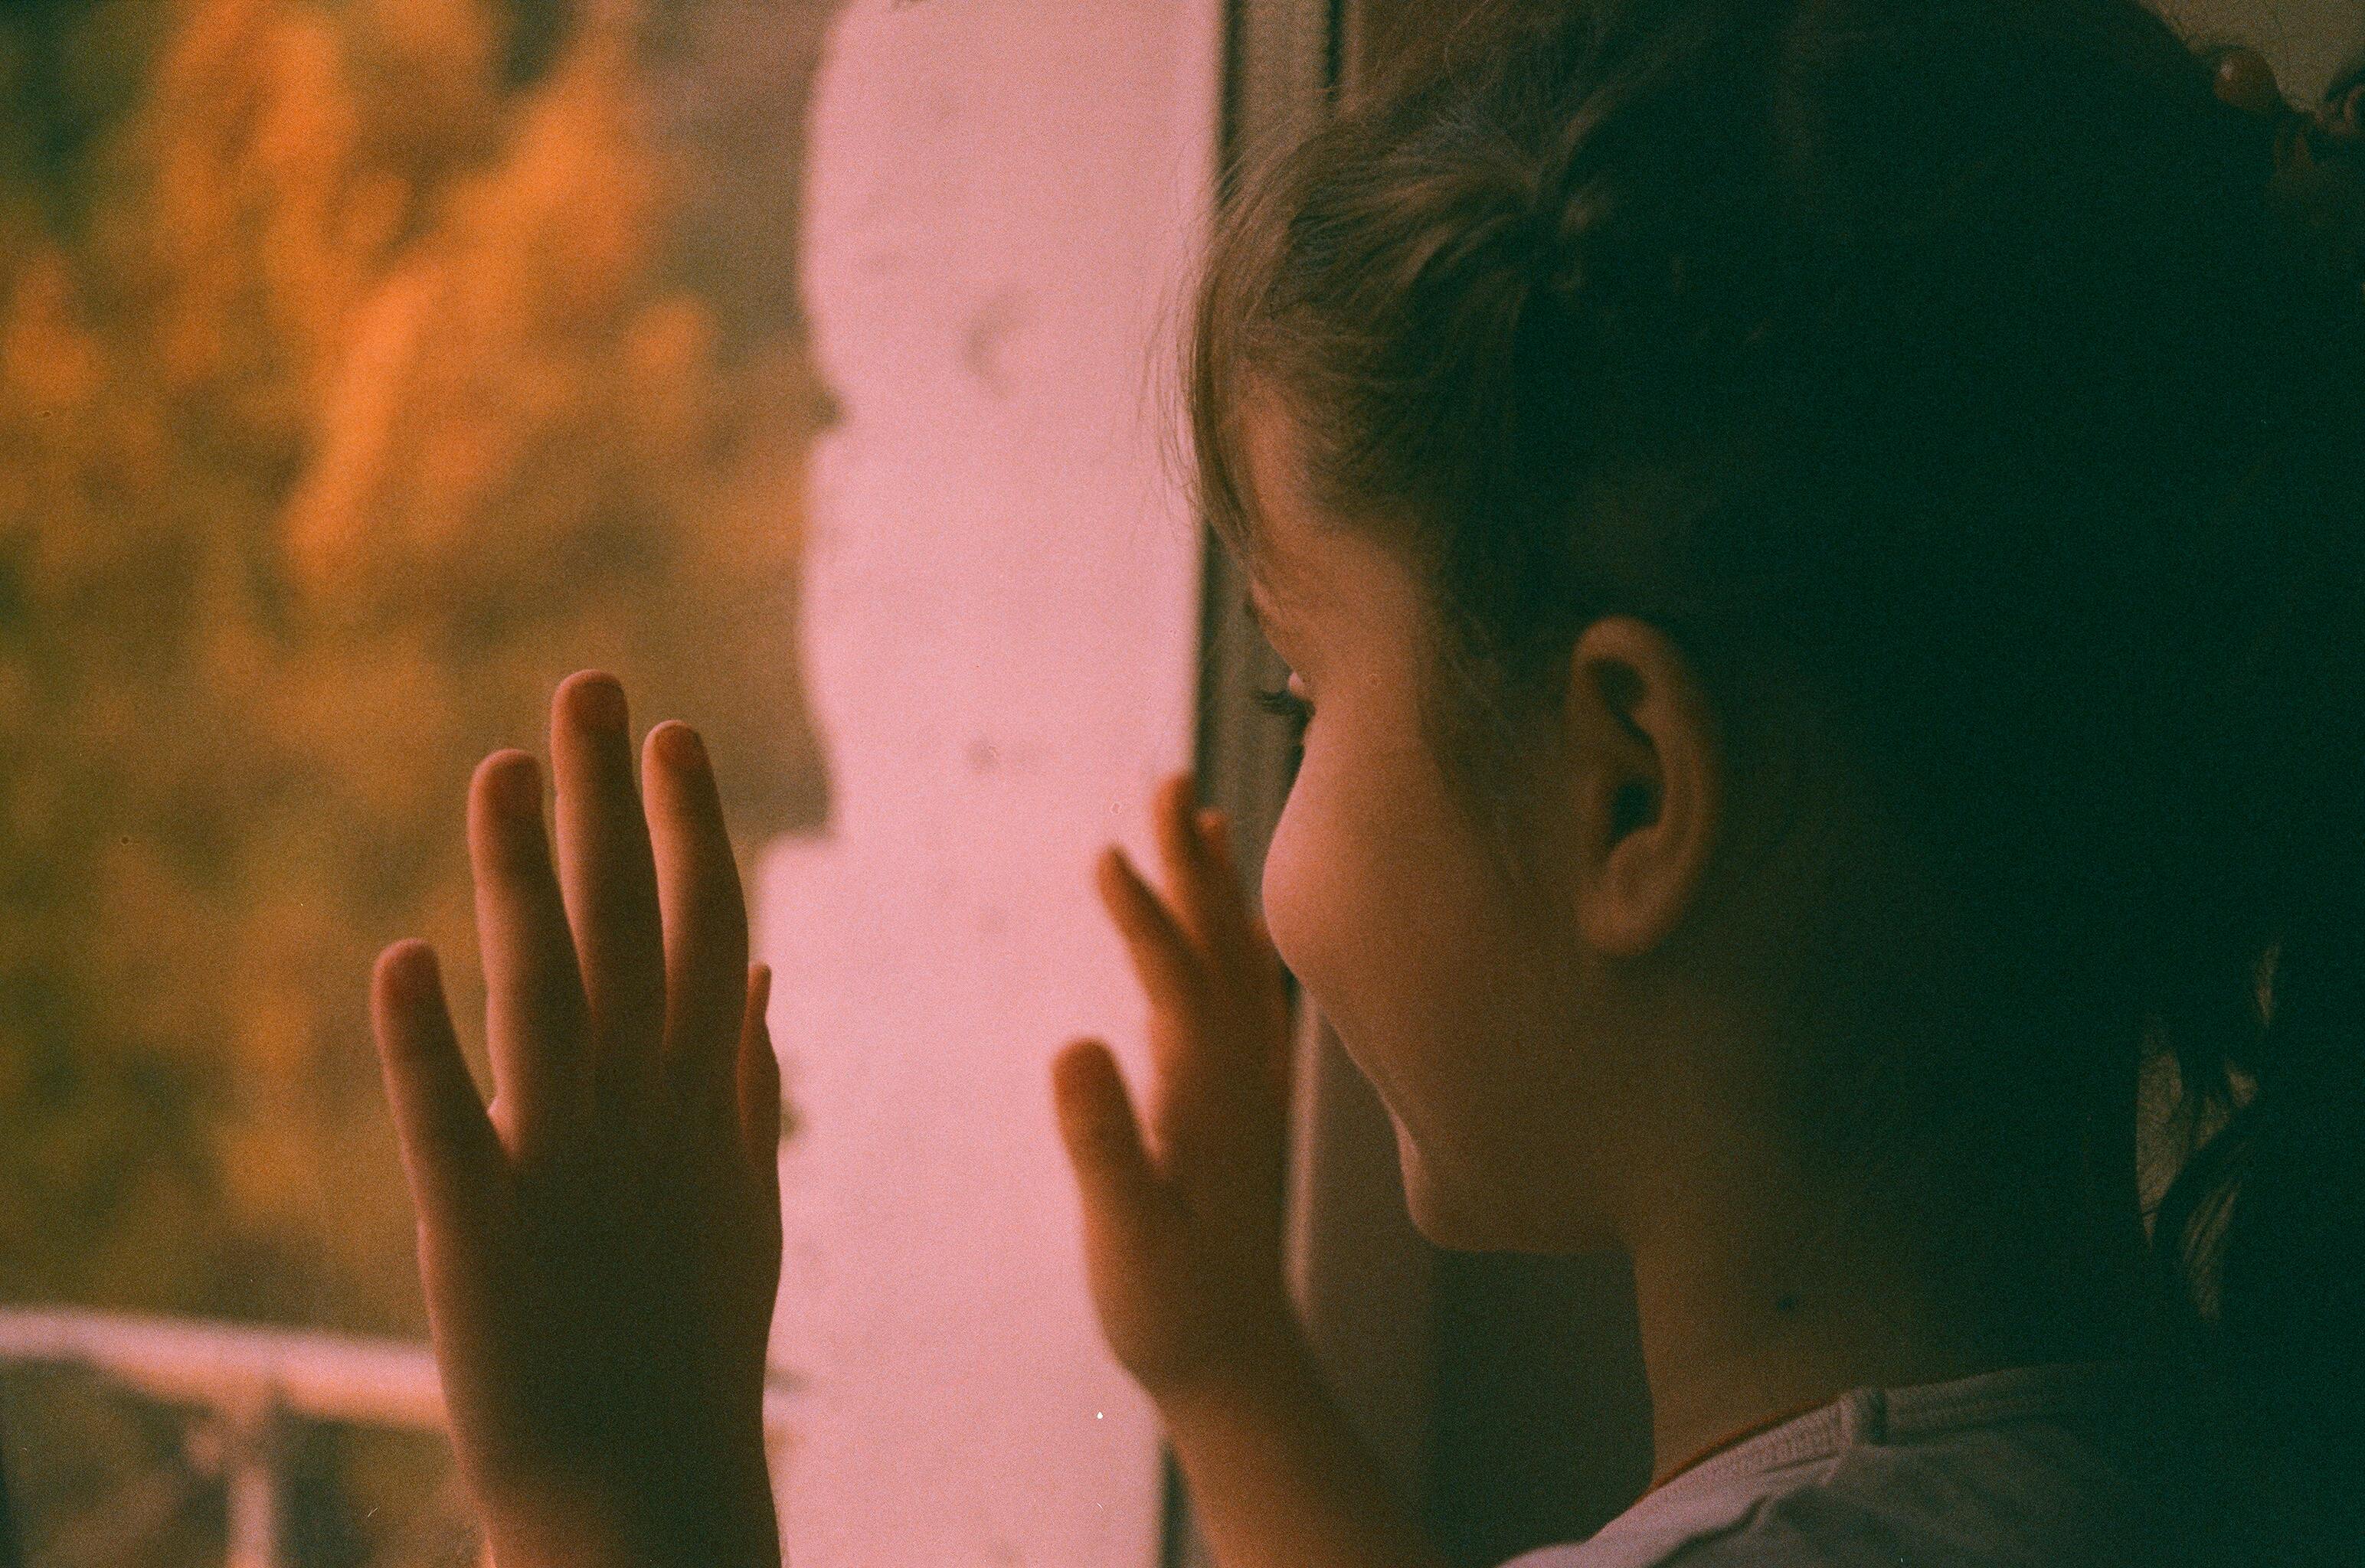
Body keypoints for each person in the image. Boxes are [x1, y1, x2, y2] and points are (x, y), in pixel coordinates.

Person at [364, 2, 2365, 1564]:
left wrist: (611, 1495)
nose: (1276, 835)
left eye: (1302, 691)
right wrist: (1228, 1367)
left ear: (1626, 793)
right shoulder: (2200, 1463)